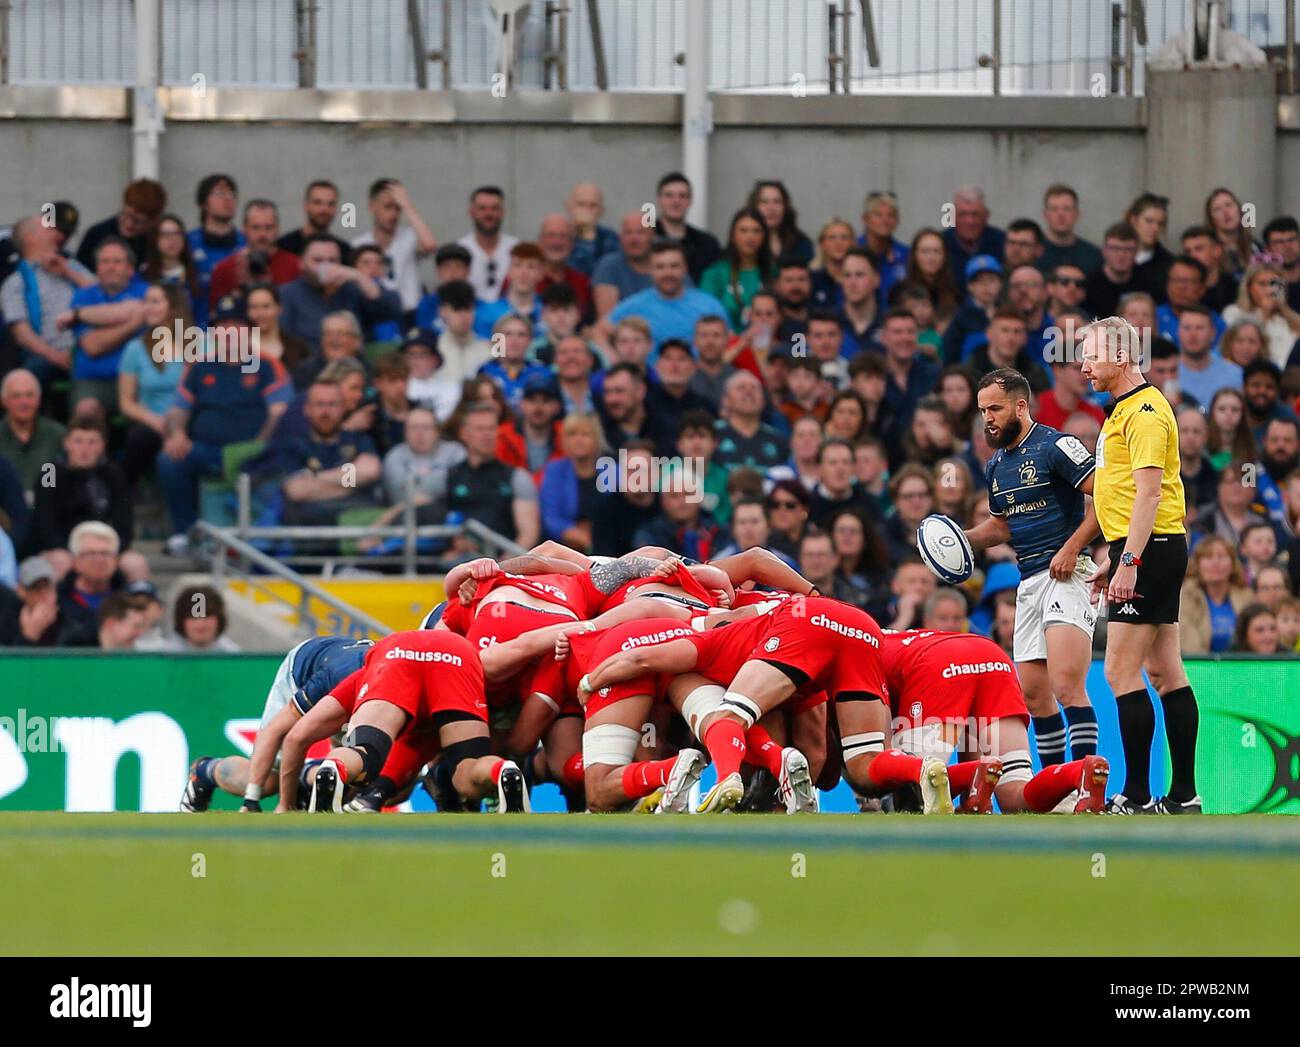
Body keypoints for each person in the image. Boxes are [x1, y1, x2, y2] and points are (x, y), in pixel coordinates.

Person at [1078, 315, 1201, 814]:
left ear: (1122, 357)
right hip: (1150, 547)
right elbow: (1127, 493)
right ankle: (1182, 796)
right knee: (1164, 670)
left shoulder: (1145, 412)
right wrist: (1117, 555)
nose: (1083, 364)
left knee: (1119, 670)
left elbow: (1149, 495)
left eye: (1091, 353)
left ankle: (1133, 793)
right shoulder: (1123, 410)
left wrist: (1130, 558)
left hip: (1151, 548)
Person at [961, 368, 1101, 775]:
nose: (987, 417)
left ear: (1020, 406)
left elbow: (1105, 495)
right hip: (1030, 580)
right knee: (1036, 695)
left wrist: (1073, 547)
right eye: (983, 409)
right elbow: (1003, 525)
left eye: (995, 408)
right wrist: (959, 540)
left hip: (1069, 574)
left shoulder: (1058, 446)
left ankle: (1085, 783)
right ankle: (1057, 786)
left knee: (1066, 684)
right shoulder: (995, 466)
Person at [157, 298, 293, 552]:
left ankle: (260, 537)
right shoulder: (199, 365)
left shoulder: (267, 365)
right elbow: (178, 410)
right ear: (214, 332)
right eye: (223, 325)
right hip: (208, 448)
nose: (229, 331)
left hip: (254, 452)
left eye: (237, 325)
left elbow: (279, 414)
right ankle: (185, 533)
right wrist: (176, 434)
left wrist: (257, 446)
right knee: (170, 459)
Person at [1, 215, 94, 385]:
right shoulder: (15, 283)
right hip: (49, 355)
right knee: (30, 374)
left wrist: (68, 272)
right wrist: (57, 357)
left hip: (94, 346)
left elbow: (107, 296)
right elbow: (22, 335)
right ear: (30, 237)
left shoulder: (72, 267)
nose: (56, 231)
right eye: (48, 228)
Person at [28, 414, 132, 556]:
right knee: (60, 560)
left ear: (103, 445)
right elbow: (45, 524)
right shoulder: (49, 472)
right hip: (60, 548)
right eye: (78, 441)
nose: (85, 448)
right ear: (66, 443)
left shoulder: (113, 473)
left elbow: (124, 523)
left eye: (92, 442)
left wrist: (109, 552)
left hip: (103, 547)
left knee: (134, 563)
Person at [116, 283, 188, 488]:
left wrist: (178, 426)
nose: (148, 307)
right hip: (154, 421)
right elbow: (126, 402)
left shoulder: (198, 343)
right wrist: (155, 420)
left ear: (173, 307)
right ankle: (123, 500)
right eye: (145, 301)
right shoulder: (135, 348)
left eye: (155, 302)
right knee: (139, 438)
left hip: (189, 420)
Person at [68, 237, 150, 414]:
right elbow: (92, 346)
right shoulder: (83, 297)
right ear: (97, 268)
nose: (110, 267)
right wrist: (132, 324)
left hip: (139, 380)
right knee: (86, 409)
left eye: (117, 262)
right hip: (94, 381)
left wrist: (90, 317)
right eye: (104, 262)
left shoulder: (147, 292)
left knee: (150, 418)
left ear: (130, 269)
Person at [445, 402, 540, 547]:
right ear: (464, 434)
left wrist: (503, 566)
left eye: (491, 428)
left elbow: (529, 532)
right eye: (480, 429)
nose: (487, 434)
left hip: (502, 561)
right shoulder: (450, 475)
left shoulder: (516, 477)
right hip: (459, 561)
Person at [606, 240, 727, 352]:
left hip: (699, 374)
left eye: (674, 266)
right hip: (648, 375)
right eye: (660, 267)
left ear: (685, 268)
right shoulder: (633, 305)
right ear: (650, 270)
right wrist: (612, 360)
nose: (668, 273)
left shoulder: (709, 305)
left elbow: (729, 341)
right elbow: (598, 332)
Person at [350, 178, 437, 315]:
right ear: (372, 207)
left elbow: (430, 245)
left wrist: (407, 206)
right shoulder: (358, 244)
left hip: (410, 312)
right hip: (374, 314)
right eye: (388, 207)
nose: (394, 214)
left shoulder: (410, 237)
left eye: (398, 208)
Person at [208, 199, 301, 305]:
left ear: (277, 229)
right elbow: (216, 314)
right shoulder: (224, 269)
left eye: (268, 227)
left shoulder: (295, 266)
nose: (262, 234)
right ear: (244, 229)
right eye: (255, 227)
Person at [699, 208, 772, 331]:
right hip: (726, 345)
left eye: (757, 231)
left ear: (764, 236)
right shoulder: (715, 274)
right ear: (733, 235)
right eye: (743, 230)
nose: (750, 236)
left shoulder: (773, 272)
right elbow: (705, 316)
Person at [0, 368, 67, 496]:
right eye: (16, 396)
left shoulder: (58, 434)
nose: (24, 402)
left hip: (48, 506)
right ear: (4, 401)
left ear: (39, 399)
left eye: (29, 395)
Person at [75, 178, 166, 270]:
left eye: (138, 221)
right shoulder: (96, 234)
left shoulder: (157, 244)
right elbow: (79, 271)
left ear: (153, 222)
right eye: (126, 214)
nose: (129, 224)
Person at [1223, 262, 1300, 367]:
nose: (1270, 290)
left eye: (1275, 284)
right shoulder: (1233, 313)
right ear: (1249, 288)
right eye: (1262, 284)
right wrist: (1264, 312)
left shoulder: (1295, 322)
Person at [712, 370, 789, 471]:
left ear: (763, 401)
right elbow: (691, 475)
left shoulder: (778, 440)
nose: (749, 392)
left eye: (754, 388)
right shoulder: (709, 433)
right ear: (726, 400)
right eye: (741, 387)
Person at [186, 174, 244, 305]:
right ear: (204, 203)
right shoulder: (188, 243)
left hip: (236, 322)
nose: (228, 199)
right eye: (219, 193)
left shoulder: (245, 243)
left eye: (232, 194)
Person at [653, 172, 721, 282]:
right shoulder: (646, 239)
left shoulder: (707, 244)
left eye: (682, 196)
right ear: (659, 200)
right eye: (669, 195)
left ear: (690, 200)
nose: (676, 201)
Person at [142, 213, 206, 326]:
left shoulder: (198, 277)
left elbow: (202, 320)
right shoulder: (143, 277)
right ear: (154, 240)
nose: (172, 239)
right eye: (165, 235)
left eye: (177, 234)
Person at [458, 186, 518, 303]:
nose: (489, 214)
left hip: (509, 316)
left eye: (495, 208)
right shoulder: (459, 249)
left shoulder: (517, 248)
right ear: (472, 212)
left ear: (502, 212)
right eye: (482, 208)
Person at [591, 210, 655, 320]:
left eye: (640, 232)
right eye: (628, 233)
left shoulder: (666, 264)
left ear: (652, 237)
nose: (634, 239)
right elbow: (608, 319)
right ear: (620, 237)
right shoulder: (609, 266)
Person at [941, 255, 1004, 364]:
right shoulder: (961, 318)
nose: (986, 286)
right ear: (970, 286)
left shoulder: (1007, 314)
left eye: (991, 280)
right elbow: (949, 357)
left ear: (1000, 284)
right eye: (979, 281)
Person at [944, 186, 1006, 294]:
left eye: (975, 214)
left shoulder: (1002, 241)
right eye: (963, 215)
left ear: (986, 216)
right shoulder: (942, 243)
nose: (969, 221)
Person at [1178, 304, 1241, 407]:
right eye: (1187, 328)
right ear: (1178, 332)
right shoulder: (1162, 372)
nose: (1192, 334)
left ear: (1213, 333)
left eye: (1199, 328)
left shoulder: (1234, 375)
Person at [858, 191, 909, 307]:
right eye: (878, 215)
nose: (885, 220)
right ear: (865, 219)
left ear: (897, 220)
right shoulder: (853, 251)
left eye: (891, 215)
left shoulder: (906, 254)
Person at [1040, 183, 1103, 275]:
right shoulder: (1034, 253)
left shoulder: (1093, 256)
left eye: (1067, 209)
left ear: (1077, 214)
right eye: (1054, 209)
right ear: (1045, 215)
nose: (1061, 214)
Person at [903, 227, 961, 327]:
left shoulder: (956, 290)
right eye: (925, 251)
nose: (931, 257)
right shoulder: (901, 290)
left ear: (944, 256)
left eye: (936, 251)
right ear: (915, 255)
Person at [277, 179, 350, 258]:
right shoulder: (284, 246)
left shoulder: (344, 250)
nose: (324, 209)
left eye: (331, 204)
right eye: (317, 203)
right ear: (306, 205)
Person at [1085, 222, 1143, 318]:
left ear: (1137, 252)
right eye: (1115, 248)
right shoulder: (1090, 284)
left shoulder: (1146, 282)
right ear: (1104, 251)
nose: (1121, 255)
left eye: (1128, 249)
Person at [1180, 224, 1240, 314]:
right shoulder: (1179, 289)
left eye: (1199, 249)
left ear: (1217, 251)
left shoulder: (1235, 288)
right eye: (1188, 251)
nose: (1193, 256)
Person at [564, 182, 619, 277]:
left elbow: (601, 276)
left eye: (592, 206)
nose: (586, 210)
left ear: (601, 211)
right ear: (569, 207)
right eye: (581, 204)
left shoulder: (610, 238)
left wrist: (588, 234)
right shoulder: (558, 235)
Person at [1126, 192, 1174, 298]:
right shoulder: (1115, 255)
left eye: (1160, 223)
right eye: (1149, 221)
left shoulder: (1169, 264)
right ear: (1134, 220)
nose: (1155, 228)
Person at [1204, 187, 1260, 277]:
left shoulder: (1256, 247)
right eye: (1217, 209)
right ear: (1211, 218)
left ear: (1239, 209)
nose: (1225, 212)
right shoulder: (1208, 252)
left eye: (1229, 205)